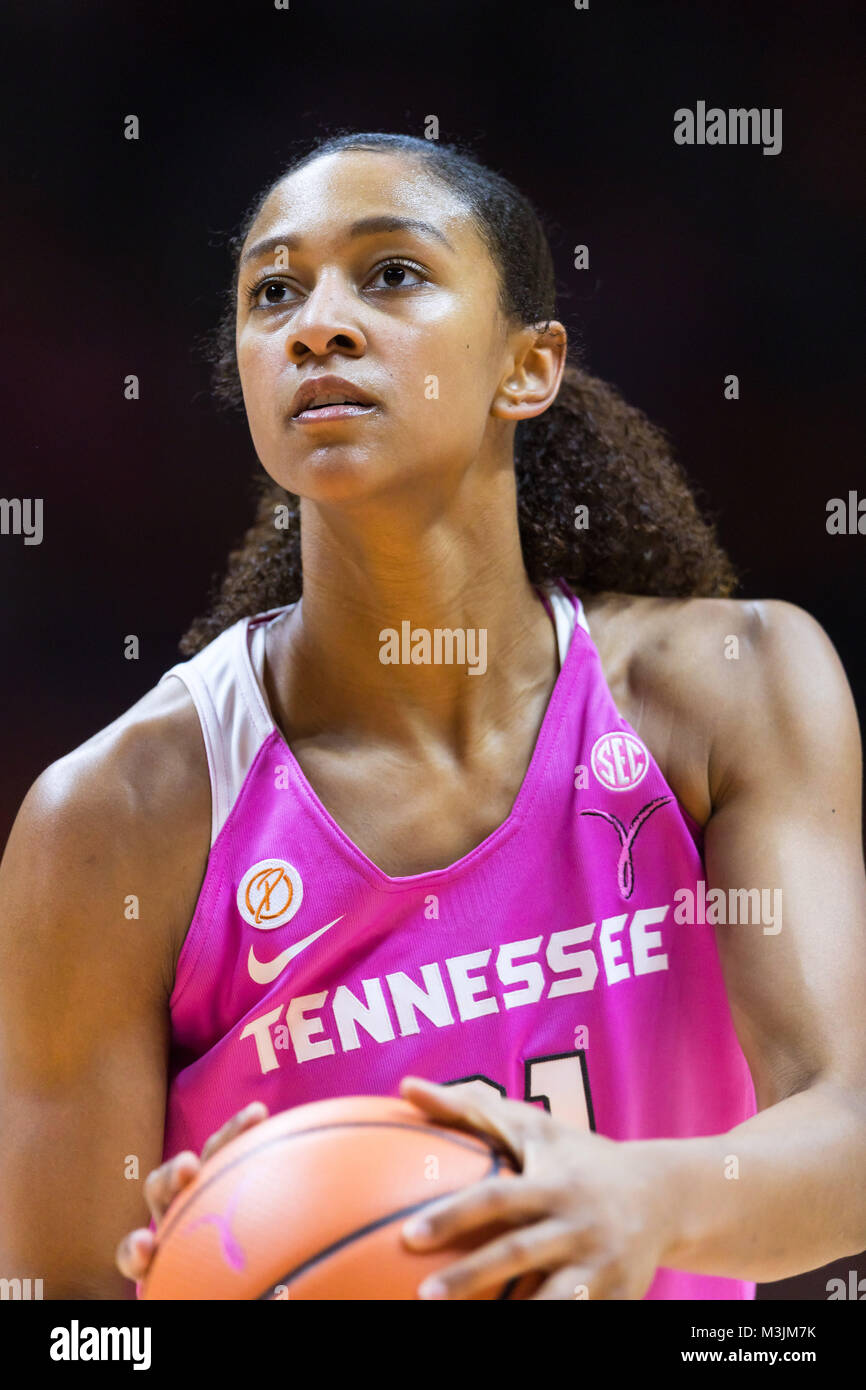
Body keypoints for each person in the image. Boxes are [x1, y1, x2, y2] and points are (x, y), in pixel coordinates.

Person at [1, 132, 864, 1301]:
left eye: (392, 273)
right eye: (273, 291)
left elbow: (846, 1131)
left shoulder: (727, 684)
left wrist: (639, 1198)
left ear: (528, 366)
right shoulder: (113, 817)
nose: (318, 324)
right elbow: (66, 1320)